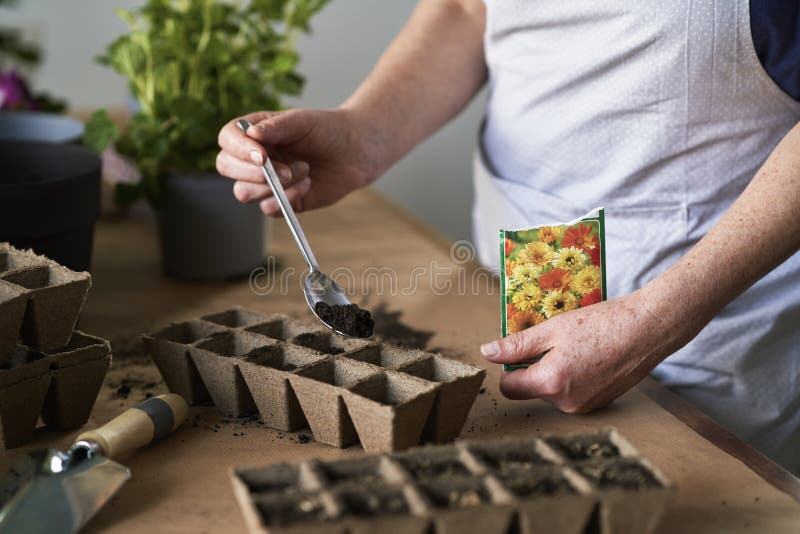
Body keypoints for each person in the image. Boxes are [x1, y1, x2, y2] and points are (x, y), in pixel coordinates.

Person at [217, 1, 800, 473]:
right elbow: (471, 10)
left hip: (708, 353)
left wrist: (661, 317)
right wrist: (364, 134)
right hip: (503, 292)